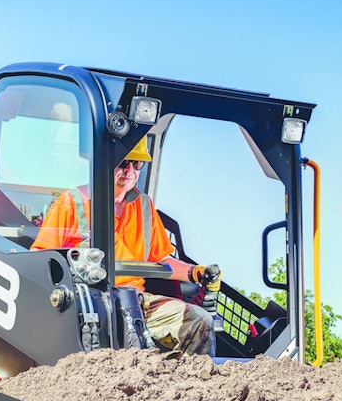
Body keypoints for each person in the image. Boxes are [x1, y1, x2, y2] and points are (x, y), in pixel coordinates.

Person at [31, 138, 221, 356]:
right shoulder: (71, 204)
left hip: (136, 302)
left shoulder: (144, 207)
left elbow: (161, 260)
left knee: (199, 322)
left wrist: (195, 272)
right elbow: (41, 259)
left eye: (137, 164)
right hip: (88, 305)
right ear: (104, 162)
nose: (130, 170)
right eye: (124, 162)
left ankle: (186, 388)